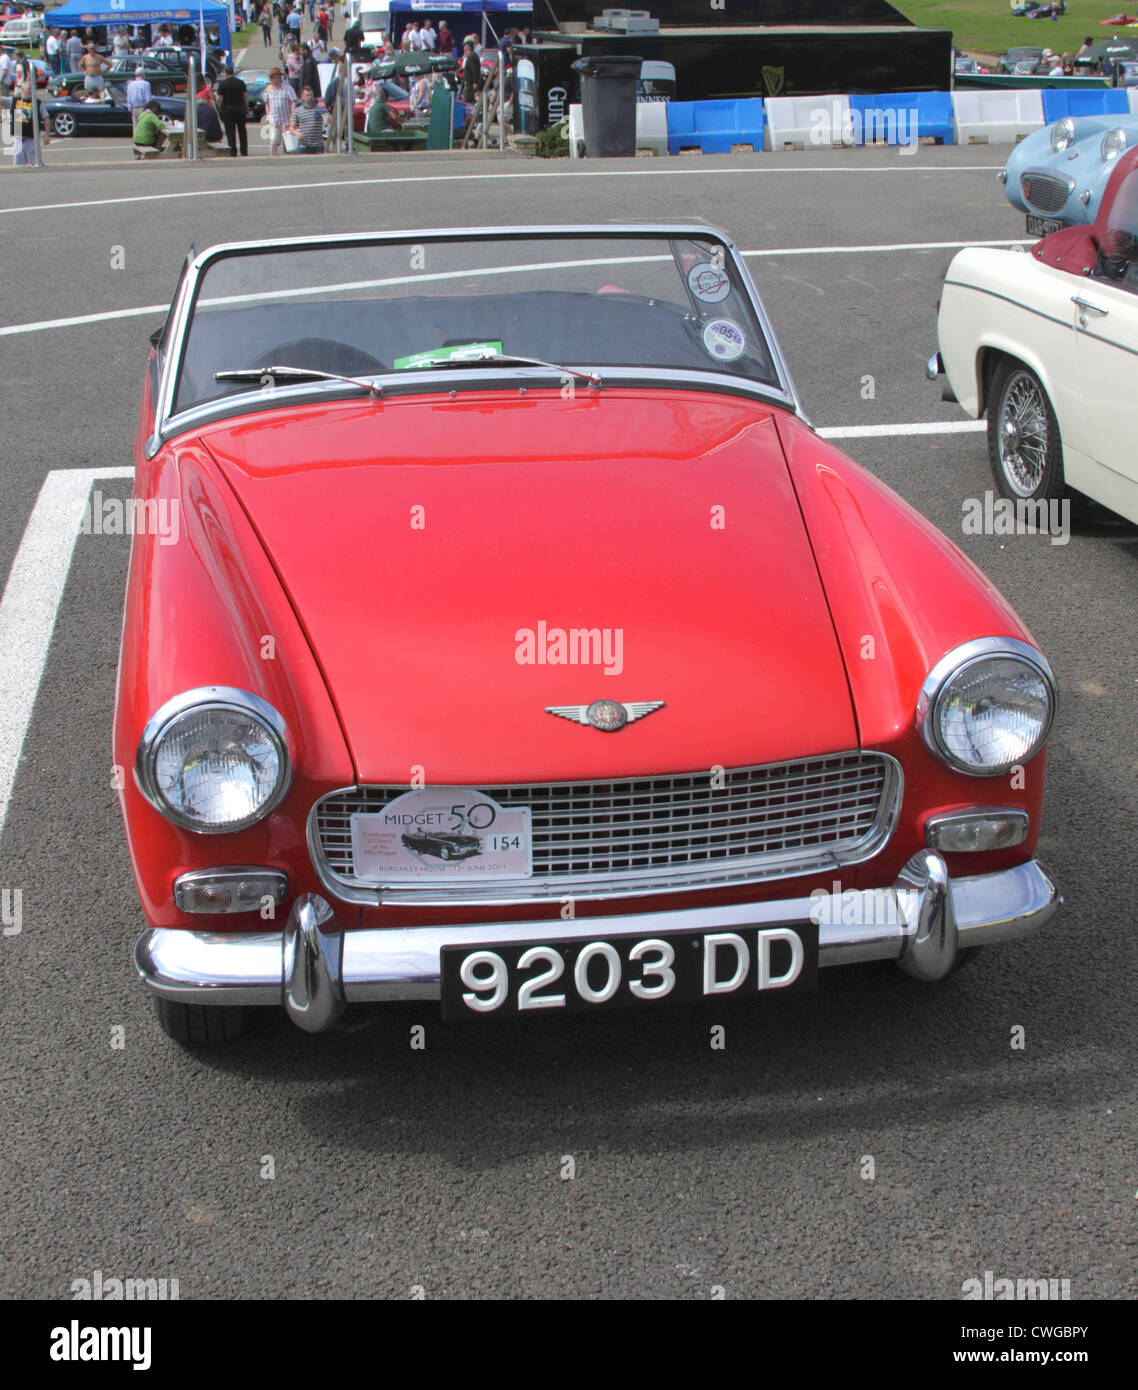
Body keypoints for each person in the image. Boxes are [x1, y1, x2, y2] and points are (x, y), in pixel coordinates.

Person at [215, 61, 249, 155]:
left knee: (230, 131)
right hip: (240, 108)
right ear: (233, 72)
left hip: (227, 109)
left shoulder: (222, 84)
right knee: (242, 131)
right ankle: (244, 150)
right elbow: (245, 96)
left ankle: (232, 150)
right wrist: (246, 108)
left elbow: (218, 98)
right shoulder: (240, 82)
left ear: (225, 73)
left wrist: (220, 107)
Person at [262, 66, 296, 153]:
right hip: (274, 121)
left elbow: (293, 102)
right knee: (273, 143)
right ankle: (272, 160)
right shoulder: (268, 89)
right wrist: (268, 116)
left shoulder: (287, 88)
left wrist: (292, 117)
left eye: (277, 77)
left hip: (286, 121)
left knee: (289, 145)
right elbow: (267, 104)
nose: (275, 79)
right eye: (273, 77)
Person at [291, 83, 324, 151]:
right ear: (302, 96)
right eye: (307, 95)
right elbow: (292, 128)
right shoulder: (297, 111)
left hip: (318, 145)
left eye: (311, 95)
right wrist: (296, 133)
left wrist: (329, 118)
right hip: (303, 145)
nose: (310, 97)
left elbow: (330, 119)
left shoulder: (321, 108)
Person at [125, 65, 152, 130]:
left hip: (134, 108)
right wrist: (149, 109)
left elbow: (128, 98)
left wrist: (130, 108)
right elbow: (148, 98)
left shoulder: (130, 84)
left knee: (135, 126)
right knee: (143, 126)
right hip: (143, 108)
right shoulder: (146, 84)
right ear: (142, 74)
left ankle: (136, 139)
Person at [460, 36, 481, 105]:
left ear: (468, 47)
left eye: (465, 47)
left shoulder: (472, 56)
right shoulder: (470, 56)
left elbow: (475, 70)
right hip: (468, 83)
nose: (463, 48)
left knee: (467, 101)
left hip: (470, 85)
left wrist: (475, 82)